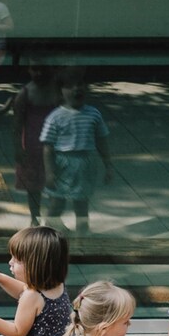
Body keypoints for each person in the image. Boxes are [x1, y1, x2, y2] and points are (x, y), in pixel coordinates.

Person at [39, 80, 111, 234]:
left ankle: (82, 235)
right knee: (57, 202)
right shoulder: (55, 117)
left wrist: (108, 166)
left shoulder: (93, 114)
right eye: (70, 85)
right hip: (62, 163)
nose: (76, 88)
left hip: (85, 163)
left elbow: (102, 140)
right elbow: (48, 147)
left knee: (81, 203)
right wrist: (50, 172)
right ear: (61, 92)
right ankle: (46, 234)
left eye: (80, 85)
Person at [3, 64, 60, 225]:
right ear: (28, 69)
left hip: (55, 146)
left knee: (56, 184)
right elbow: (17, 124)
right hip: (32, 147)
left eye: (43, 68)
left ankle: (54, 216)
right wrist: (18, 148)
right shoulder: (25, 94)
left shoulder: (56, 89)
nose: (39, 73)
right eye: (35, 69)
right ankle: (34, 218)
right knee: (33, 187)